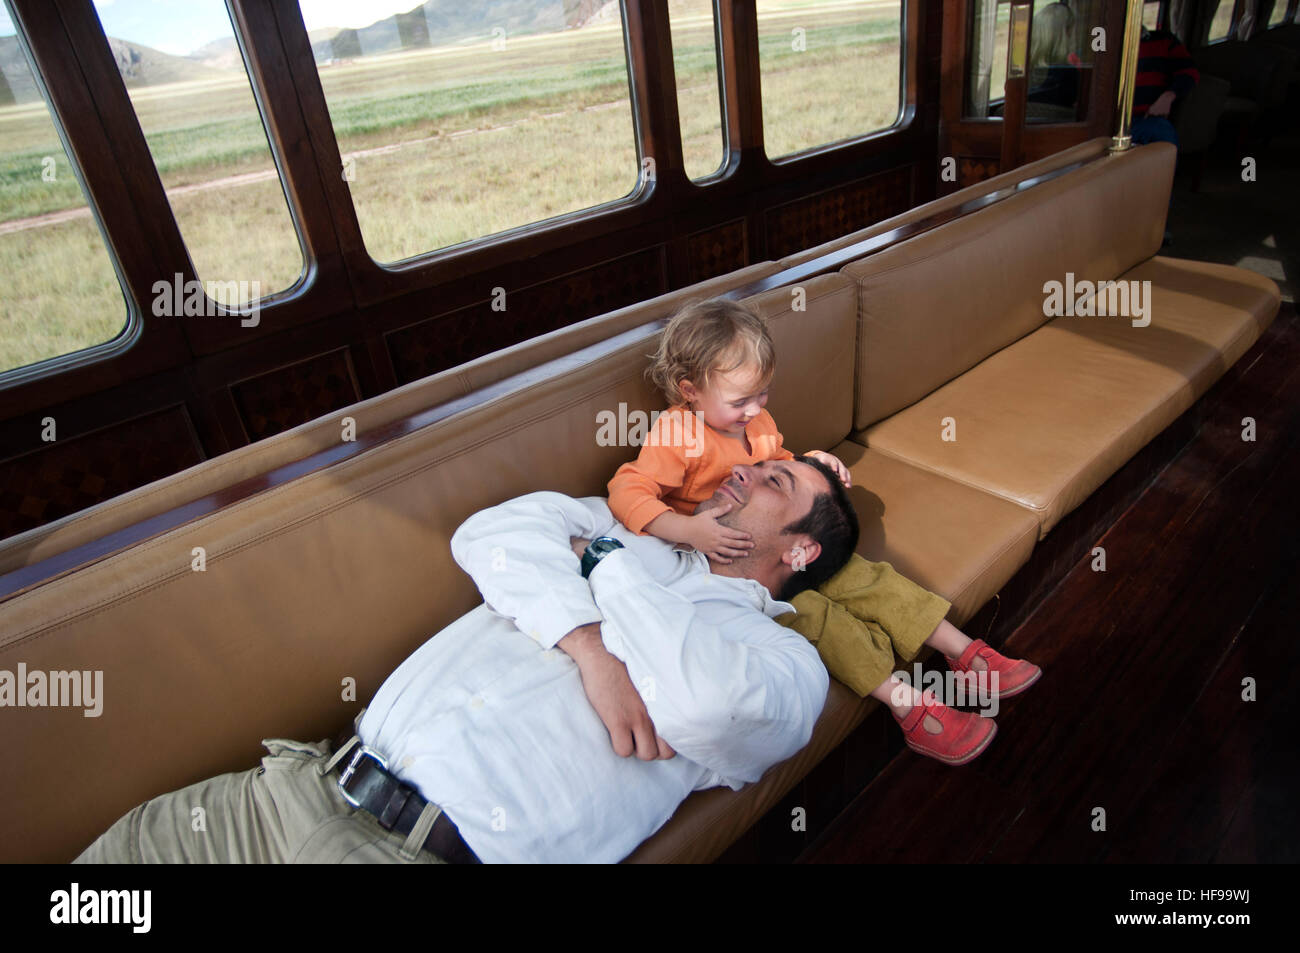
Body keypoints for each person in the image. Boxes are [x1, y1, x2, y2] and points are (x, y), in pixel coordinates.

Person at [75, 458, 855, 864]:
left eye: (775, 481)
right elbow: (491, 533)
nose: (744, 471)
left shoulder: (786, 663)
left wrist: (602, 562)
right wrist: (588, 645)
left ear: (802, 548)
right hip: (282, 797)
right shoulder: (634, 528)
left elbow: (709, 703)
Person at [607, 299, 1042, 765]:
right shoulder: (679, 433)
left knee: (862, 576)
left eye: (763, 393)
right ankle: (909, 706)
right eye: (740, 401)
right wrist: (688, 529)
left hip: (779, 538)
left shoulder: (755, 422)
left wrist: (812, 462)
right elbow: (625, 489)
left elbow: (776, 465)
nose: (754, 409)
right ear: (689, 389)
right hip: (728, 560)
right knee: (812, 613)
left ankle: (963, 652)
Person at [1131, 24, 1200, 147]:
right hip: (1103, 121)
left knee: (1163, 136)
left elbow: (1189, 72)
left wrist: (1167, 97)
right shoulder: (1102, 40)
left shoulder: (1165, 40)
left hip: (1147, 118)